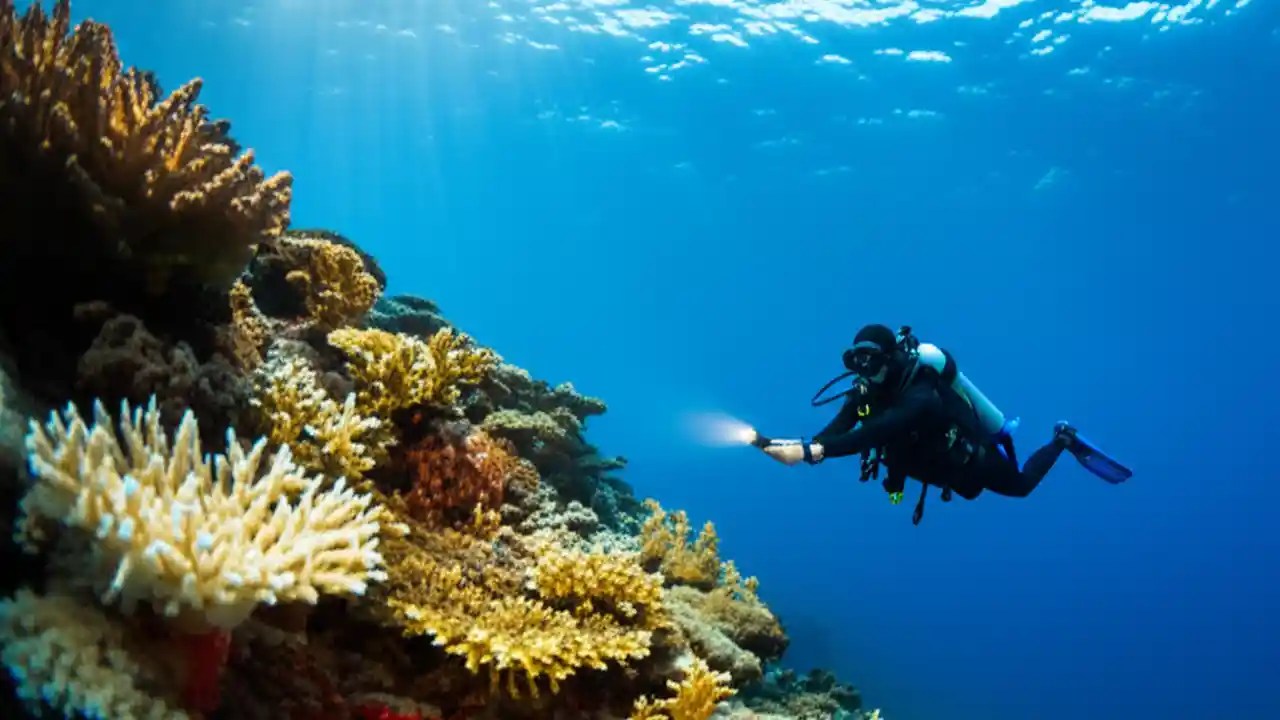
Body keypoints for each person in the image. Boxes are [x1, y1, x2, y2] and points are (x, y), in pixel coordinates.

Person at [753, 324, 1131, 524]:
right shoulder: (866, 393)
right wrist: (797, 447)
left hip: (969, 459)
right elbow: (838, 429)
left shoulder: (922, 392)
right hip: (926, 466)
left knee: (1019, 487)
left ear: (891, 356)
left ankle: (1062, 440)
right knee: (894, 480)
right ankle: (897, 491)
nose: (864, 370)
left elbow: (880, 430)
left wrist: (813, 451)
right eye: (856, 362)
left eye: (870, 359)